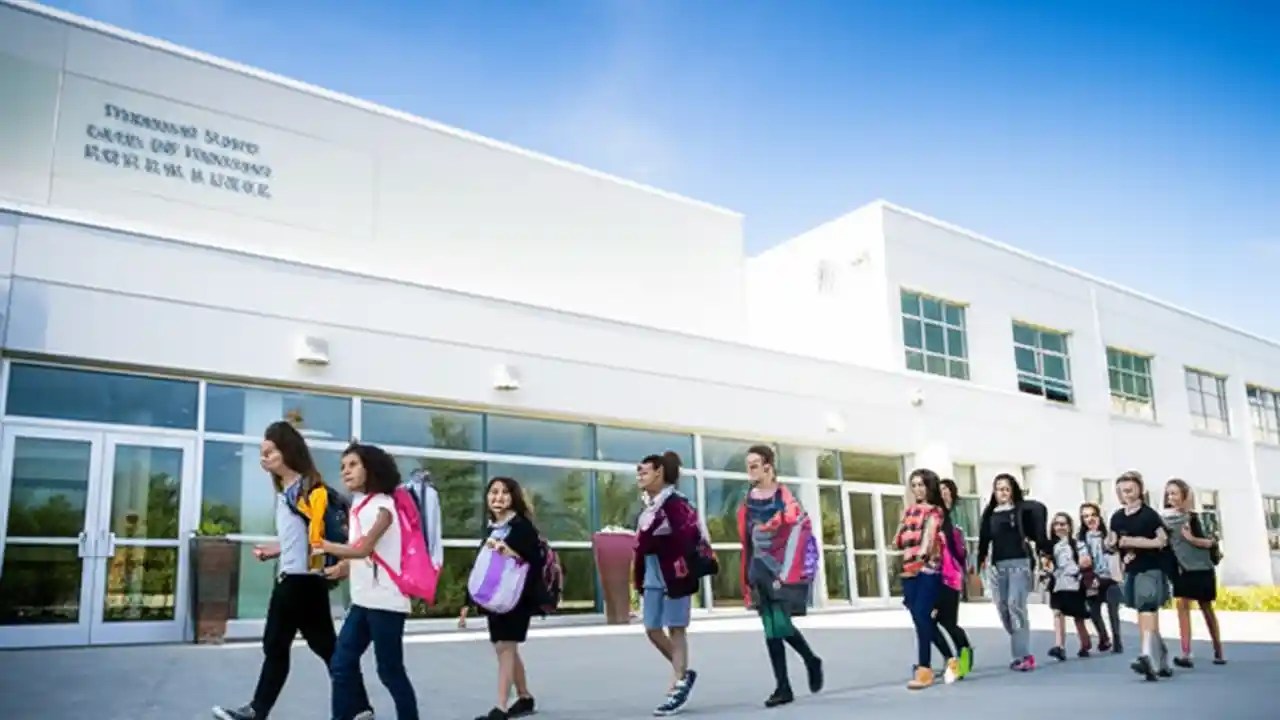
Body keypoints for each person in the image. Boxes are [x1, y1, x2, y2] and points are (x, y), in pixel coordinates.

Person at [213, 421, 370, 720]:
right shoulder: (290, 489)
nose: (265, 458)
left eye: (270, 452)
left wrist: (342, 562)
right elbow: (300, 536)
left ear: (287, 451)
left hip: (300, 582)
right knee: (313, 648)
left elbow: (326, 533)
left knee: (286, 646)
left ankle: (258, 711)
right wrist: (278, 548)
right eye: (262, 454)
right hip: (299, 580)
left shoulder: (306, 488)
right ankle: (360, 708)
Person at [319, 443, 419, 720]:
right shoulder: (359, 505)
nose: (345, 472)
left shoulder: (385, 506)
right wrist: (342, 567)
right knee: (341, 662)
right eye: (342, 467)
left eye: (352, 465)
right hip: (363, 600)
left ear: (371, 468)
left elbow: (364, 548)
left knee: (390, 671)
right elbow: (363, 555)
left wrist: (323, 545)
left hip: (386, 601)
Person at [737, 445, 824, 708]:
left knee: (779, 624)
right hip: (758, 569)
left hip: (781, 568)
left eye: (754, 465)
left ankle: (806, 664)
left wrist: (785, 571)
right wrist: (748, 576)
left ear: (768, 467)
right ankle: (785, 683)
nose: (750, 470)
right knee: (771, 628)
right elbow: (747, 539)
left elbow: (798, 532)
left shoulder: (785, 499)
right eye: (748, 465)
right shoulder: (748, 499)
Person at [460, 477, 544, 720]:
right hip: (494, 598)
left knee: (506, 647)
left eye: (504, 493)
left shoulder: (522, 528)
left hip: (516, 599)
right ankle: (525, 697)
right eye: (493, 492)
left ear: (513, 497)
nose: (498, 497)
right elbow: (481, 565)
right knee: (504, 648)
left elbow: (535, 563)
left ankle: (501, 707)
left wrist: (513, 553)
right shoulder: (492, 528)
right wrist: (468, 601)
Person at [633, 451, 703, 716]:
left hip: (676, 575)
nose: (640, 475)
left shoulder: (676, 503)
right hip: (652, 577)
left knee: (676, 628)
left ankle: (677, 684)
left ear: (659, 472)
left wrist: (655, 536)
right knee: (651, 628)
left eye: (644, 470)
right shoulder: (648, 506)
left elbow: (685, 537)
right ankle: (683, 671)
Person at [1108, 470, 1173, 681]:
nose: (1126, 494)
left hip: (1152, 567)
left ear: (1139, 490)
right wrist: (1110, 544)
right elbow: (1112, 541)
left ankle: (1146, 656)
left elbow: (1161, 540)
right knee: (1145, 615)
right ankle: (1162, 656)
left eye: (1130, 489)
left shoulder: (1149, 515)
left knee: (1147, 609)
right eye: (1122, 490)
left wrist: (1135, 542)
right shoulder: (1117, 517)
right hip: (1131, 570)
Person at [1162, 478, 1226, 667]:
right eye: (1168, 493)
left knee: (1206, 608)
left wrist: (1191, 539)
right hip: (1182, 569)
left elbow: (1211, 543)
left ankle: (1218, 650)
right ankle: (1185, 653)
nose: (1171, 497)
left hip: (1202, 568)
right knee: (1182, 608)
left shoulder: (1194, 517)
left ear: (1184, 495)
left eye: (1174, 493)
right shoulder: (1163, 519)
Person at [975, 474, 1036, 671]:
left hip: (1019, 562)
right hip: (998, 565)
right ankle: (1019, 641)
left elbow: (1035, 529)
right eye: (998, 488)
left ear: (1012, 491)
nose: (1001, 492)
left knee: (1015, 605)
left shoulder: (1021, 511)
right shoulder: (990, 514)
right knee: (1002, 607)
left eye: (1006, 489)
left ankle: (1023, 655)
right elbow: (984, 540)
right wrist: (980, 561)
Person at [894, 468, 946, 690]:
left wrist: (922, 556)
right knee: (921, 619)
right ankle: (950, 657)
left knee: (922, 616)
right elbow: (897, 541)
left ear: (929, 487)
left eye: (921, 485)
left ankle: (924, 669)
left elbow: (929, 534)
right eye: (913, 485)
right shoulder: (908, 512)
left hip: (927, 569)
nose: (917, 489)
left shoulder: (934, 511)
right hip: (908, 570)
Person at [931, 478, 973, 682]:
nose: (944, 493)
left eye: (947, 490)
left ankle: (963, 657)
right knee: (928, 620)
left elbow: (960, 548)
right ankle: (950, 659)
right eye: (940, 490)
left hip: (950, 576)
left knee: (948, 621)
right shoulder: (934, 514)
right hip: (934, 575)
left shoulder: (955, 517)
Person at [1044, 512, 1092, 660]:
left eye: (1063, 524)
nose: (1059, 527)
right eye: (1056, 524)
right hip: (1058, 583)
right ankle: (1060, 646)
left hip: (1074, 584)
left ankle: (1085, 644)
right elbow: (1047, 563)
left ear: (1070, 527)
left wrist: (1078, 566)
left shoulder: (1077, 544)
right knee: (1058, 613)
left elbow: (1086, 561)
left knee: (1078, 617)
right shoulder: (1050, 546)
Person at [1078, 502, 1122, 653]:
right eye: (1085, 516)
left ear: (1098, 517)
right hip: (1092, 579)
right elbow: (1083, 561)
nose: (1090, 519)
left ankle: (1117, 641)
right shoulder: (1081, 540)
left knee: (1113, 611)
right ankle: (1104, 638)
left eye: (1093, 515)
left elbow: (1118, 552)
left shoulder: (1108, 535)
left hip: (1110, 579)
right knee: (1094, 611)